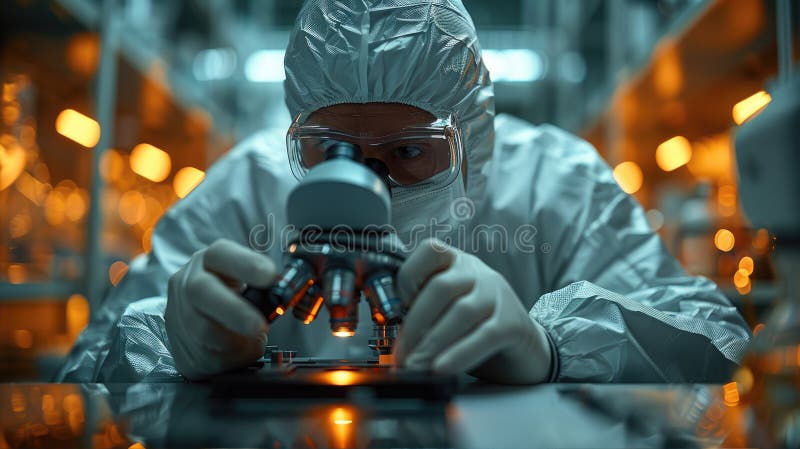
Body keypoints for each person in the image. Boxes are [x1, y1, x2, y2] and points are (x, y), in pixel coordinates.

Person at [56, 0, 750, 383]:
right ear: (297, 133)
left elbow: (719, 340)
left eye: (410, 153)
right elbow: (79, 369)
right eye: (333, 152)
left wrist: (554, 345)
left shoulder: (557, 186)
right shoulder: (247, 186)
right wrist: (163, 341)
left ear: (471, 137)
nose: (367, 185)